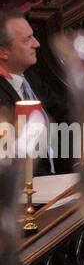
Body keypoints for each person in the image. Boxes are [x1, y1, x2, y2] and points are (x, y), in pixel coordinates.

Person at [0, 10, 67, 175]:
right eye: (27, 39)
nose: (37, 43)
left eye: (33, 36)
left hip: (56, 178)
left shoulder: (28, 75)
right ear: (3, 52)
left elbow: (63, 112)